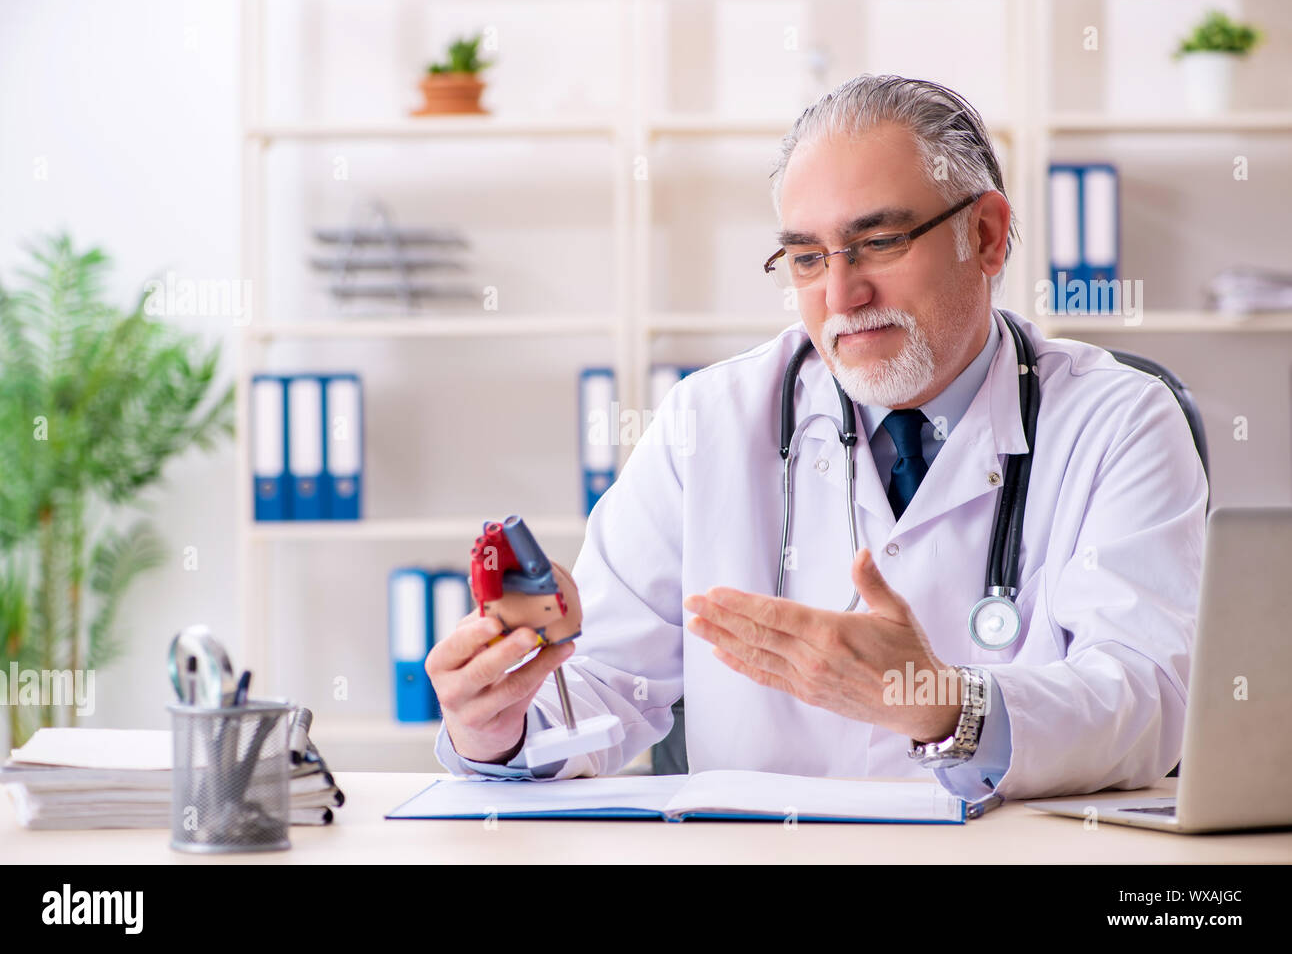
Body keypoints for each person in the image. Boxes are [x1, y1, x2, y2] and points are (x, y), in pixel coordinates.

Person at [424, 74, 1208, 802]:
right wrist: (498, 725)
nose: (841, 293)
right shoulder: (709, 421)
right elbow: (598, 679)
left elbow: (1147, 697)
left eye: (878, 242)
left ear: (988, 235)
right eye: (805, 257)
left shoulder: (1120, 420)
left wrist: (943, 704)